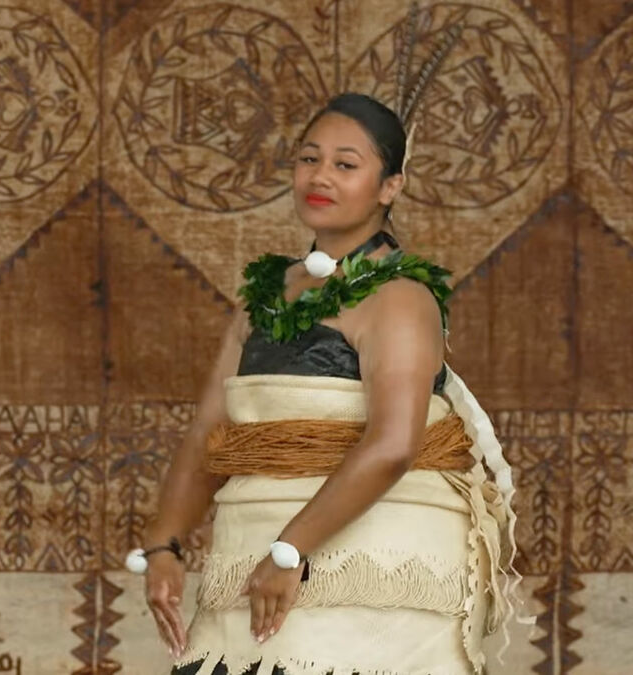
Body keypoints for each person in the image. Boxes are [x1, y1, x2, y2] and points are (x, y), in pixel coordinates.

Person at [129, 89, 522, 675]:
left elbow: (392, 445)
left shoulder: (401, 298)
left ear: (390, 186)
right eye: (309, 158)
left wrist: (292, 549)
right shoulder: (262, 299)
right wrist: (165, 543)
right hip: (253, 546)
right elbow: (210, 432)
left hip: (375, 557)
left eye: (345, 164)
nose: (320, 176)